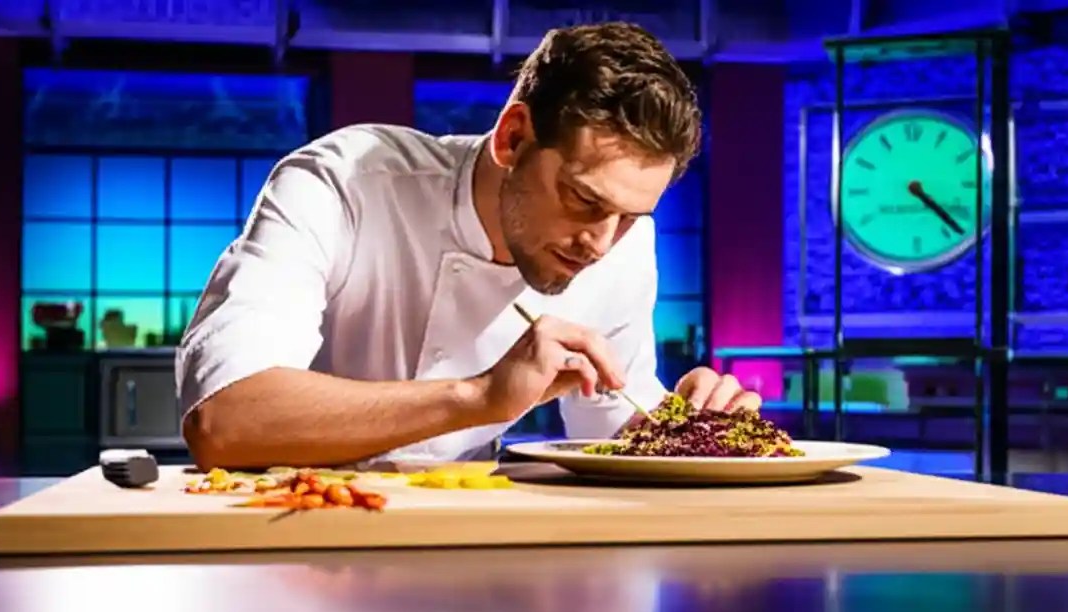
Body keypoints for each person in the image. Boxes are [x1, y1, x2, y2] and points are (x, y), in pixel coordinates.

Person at [175, 21, 760, 470]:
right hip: (284, 534)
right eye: (582, 199)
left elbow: (608, 424)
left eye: (629, 216)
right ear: (512, 137)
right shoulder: (344, 183)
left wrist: (683, 425)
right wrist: (480, 396)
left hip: (463, 537)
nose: (601, 243)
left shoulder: (623, 245)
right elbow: (227, 418)